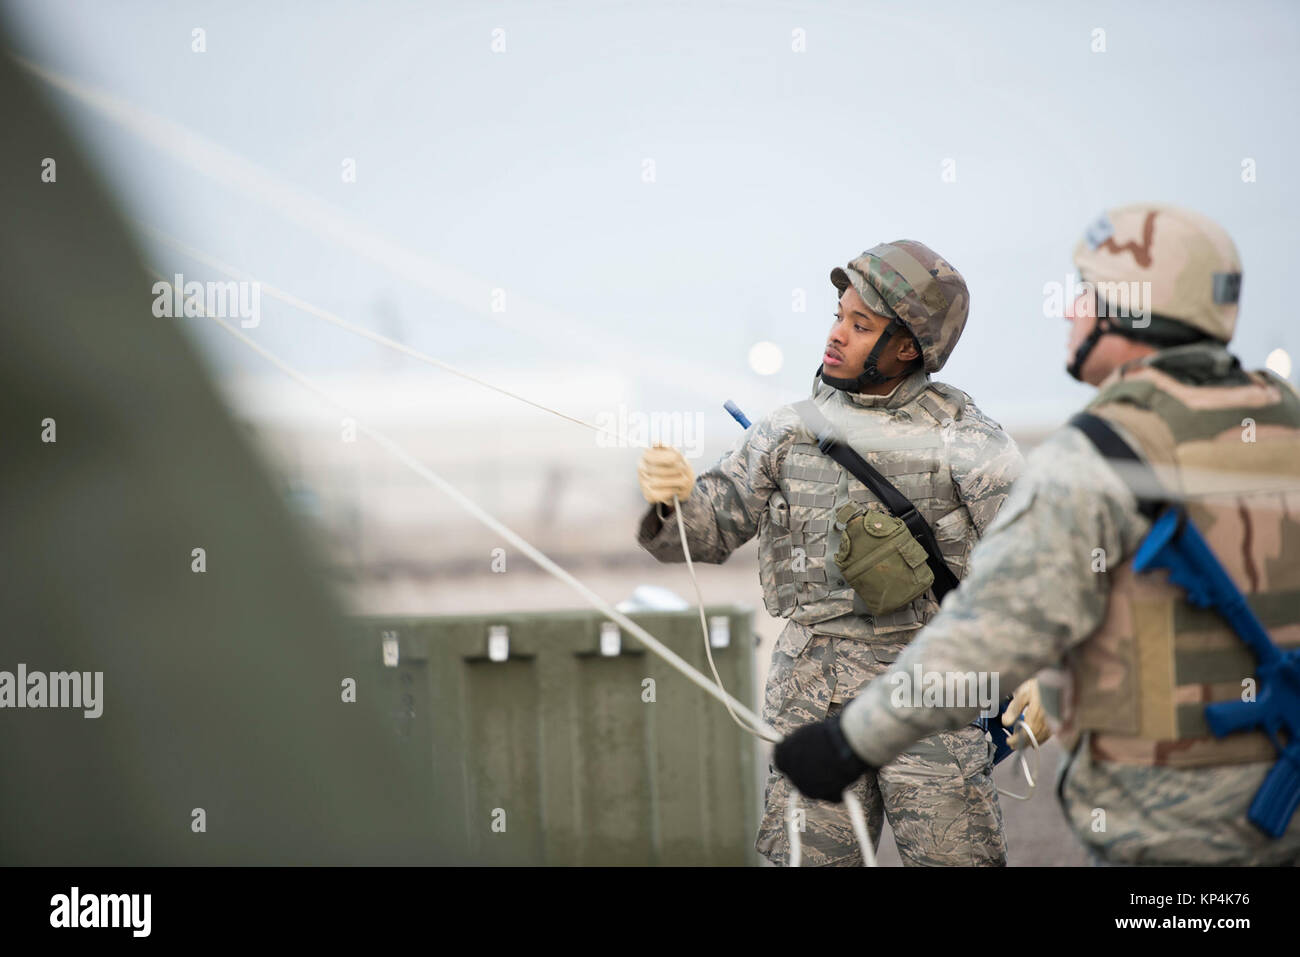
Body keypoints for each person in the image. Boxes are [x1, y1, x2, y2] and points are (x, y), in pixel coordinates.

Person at [775, 203, 1300, 865]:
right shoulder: (1284, 421)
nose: (1071, 311)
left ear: (1131, 312)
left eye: (1087, 294)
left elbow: (988, 632)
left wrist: (848, 741)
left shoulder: (1096, 457)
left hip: (1173, 832)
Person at [636, 240, 1039, 866]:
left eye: (861, 325)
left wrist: (1036, 670)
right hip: (812, 700)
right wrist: (672, 501)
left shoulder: (965, 439)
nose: (836, 335)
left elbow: (1033, 564)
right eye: (838, 316)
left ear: (908, 347)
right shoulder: (787, 431)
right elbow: (708, 531)